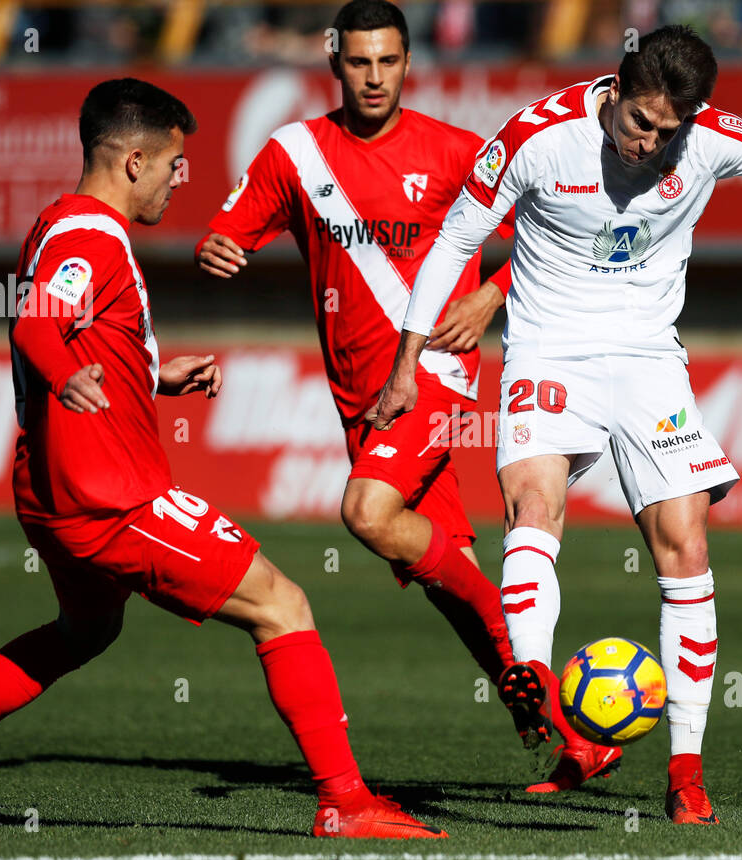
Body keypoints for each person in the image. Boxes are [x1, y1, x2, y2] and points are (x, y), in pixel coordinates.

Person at [369, 25, 742, 821]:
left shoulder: (706, 138)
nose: (650, 144)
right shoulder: (535, 137)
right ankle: (536, 684)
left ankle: (686, 774)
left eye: (668, 131)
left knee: (686, 546)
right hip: (549, 350)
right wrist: (405, 364)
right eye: (639, 123)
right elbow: (456, 238)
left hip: (648, 361)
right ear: (616, 88)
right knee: (534, 504)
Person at [0, 77, 444, 839]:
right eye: (177, 163)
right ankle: (345, 802)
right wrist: (65, 372)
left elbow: (68, 325)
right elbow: (38, 328)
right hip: (110, 499)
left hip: (47, 492)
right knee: (283, 607)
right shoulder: (91, 236)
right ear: (136, 161)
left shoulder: (56, 223)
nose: (185, 179)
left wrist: (150, 372)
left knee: (87, 630)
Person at [198, 1, 519, 718]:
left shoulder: (458, 151)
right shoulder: (296, 155)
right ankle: (553, 716)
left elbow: (549, 229)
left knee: (368, 513)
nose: (374, 78)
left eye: (388, 61)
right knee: (448, 573)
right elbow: (229, 230)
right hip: (361, 397)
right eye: (359, 62)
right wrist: (216, 248)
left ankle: (530, 680)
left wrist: (488, 299)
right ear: (334, 61)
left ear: (409, 62)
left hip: (433, 374)